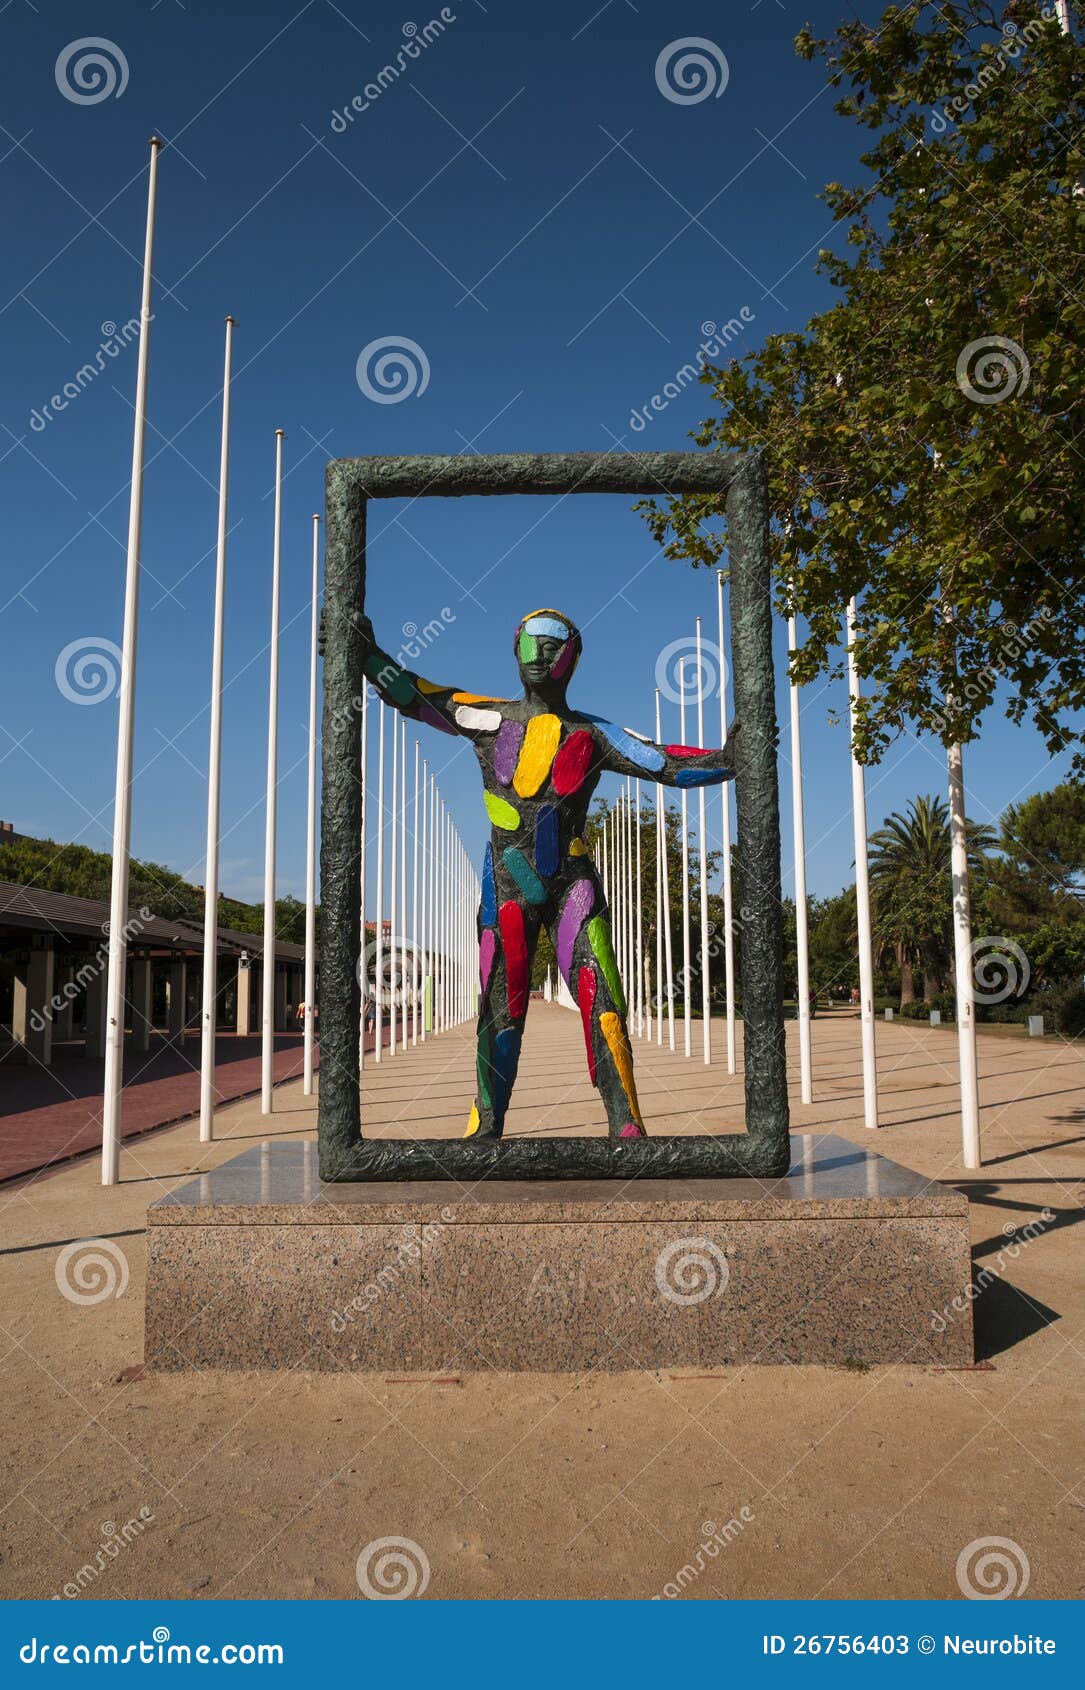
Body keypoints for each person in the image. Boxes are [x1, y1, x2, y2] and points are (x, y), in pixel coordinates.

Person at [358, 606, 738, 1140]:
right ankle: (486, 1122)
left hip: (572, 888)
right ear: (515, 649)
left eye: (555, 644)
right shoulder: (489, 718)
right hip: (506, 887)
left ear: (575, 656)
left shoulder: (593, 734)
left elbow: (662, 762)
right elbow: (419, 697)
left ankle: (626, 1124)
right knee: (499, 1002)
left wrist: (730, 759)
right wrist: (368, 656)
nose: (542, 655)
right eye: (532, 643)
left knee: (603, 995)